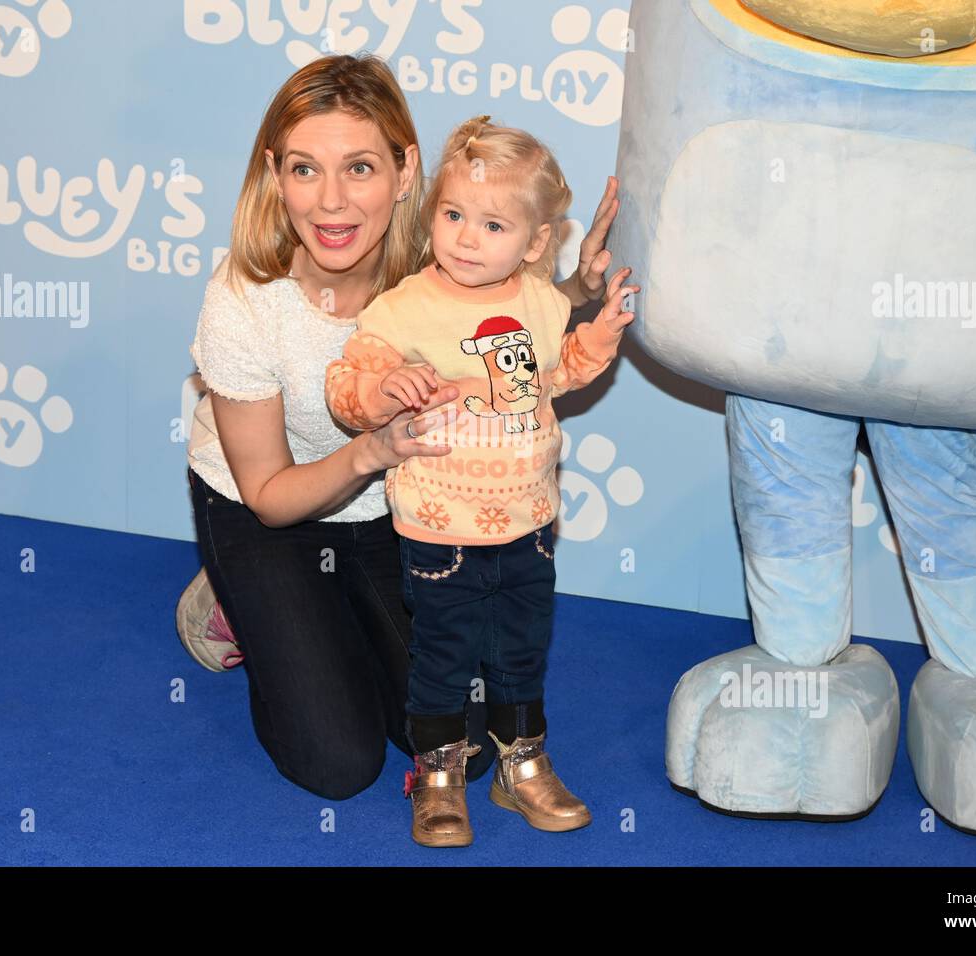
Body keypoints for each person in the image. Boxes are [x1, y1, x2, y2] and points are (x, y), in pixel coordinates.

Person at [181, 54, 621, 801]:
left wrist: (580, 285)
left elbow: (518, 318)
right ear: (272, 171)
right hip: (271, 509)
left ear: (404, 167)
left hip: (401, 508)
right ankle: (227, 599)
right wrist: (373, 448)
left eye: (359, 168)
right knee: (338, 765)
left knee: (469, 743)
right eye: (303, 169)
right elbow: (270, 495)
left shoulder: (446, 249)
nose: (330, 203)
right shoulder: (244, 300)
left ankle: (330, 605)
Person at [326, 115, 638, 845]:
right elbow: (345, 386)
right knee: (441, 657)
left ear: (532, 244)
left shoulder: (537, 300)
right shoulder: (404, 307)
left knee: (521, 651)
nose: (467, 237)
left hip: (529, 523)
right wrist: (384, 387)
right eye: (454, 214)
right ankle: (435, 778)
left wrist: (603, 330)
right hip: (440, 533)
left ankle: (520, 764)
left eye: (493, 225)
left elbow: (557, 375)